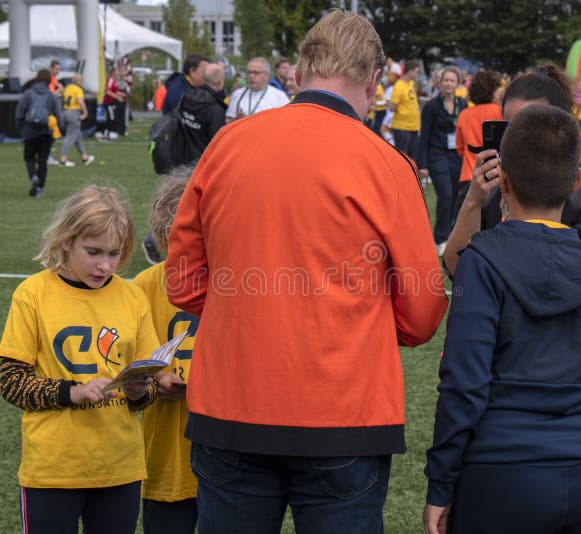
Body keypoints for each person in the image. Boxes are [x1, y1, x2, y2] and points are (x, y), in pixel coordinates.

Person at [165, 10, 448, 533]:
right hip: (343, 413)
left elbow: (182, 281)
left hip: (232, 406)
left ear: (300, 68)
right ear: (372, 80)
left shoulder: (228, 145)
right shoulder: (384, 162)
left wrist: (251, 311)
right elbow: (422, 313)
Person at [424, 104, 581, 534]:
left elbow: (463, 384)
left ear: (503, 180)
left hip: (502, 468)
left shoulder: (483, 260)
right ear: (576, 182)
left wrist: (441, 484)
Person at [0, 184, 161, 533]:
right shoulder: (33, 294)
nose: (105, 265)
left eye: (115, 254)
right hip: (53, 470)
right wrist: (73, 392)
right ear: (66, 241)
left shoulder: (132, 298)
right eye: (93, 251)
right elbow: (11, 383)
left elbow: (148, 392)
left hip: (120, 467)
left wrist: (139, 393)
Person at [444, 67, 581, 276]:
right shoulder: (485, 190)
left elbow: (579, 273)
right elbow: (456, 269)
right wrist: (473, 201)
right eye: (511, 127)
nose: (519, 139)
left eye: (531, 127)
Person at [133, 168, 201, 534]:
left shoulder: (237, 282)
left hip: (227, 463)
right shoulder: (142, 287)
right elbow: (125, 365)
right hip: (165, 458)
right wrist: (148, 383)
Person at [141, 63, 227, 267]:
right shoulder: (214, 109)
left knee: (177, 207)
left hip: (180, 159)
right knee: (188, 210)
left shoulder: (187, 97)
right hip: (200, 164)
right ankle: (153, 240)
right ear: (218, 82)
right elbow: (218, 141)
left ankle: (158, 240)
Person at [418, 66, 468, 255]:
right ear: (440, 83)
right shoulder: (431, 106)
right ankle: (441, 238)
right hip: (437, 154)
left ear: (457, 84)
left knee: (457, 196)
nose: (448, 83)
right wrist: (422, 164)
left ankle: (453, 235)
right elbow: (424, 136)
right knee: (446, 195)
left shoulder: (463, 104)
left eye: (452, 80)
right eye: (445, 80)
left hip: (457, 154)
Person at [452, 70, 503, 216]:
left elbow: (460, 149)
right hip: (493, 176)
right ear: (492, 90)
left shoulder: (464, 114)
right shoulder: (499, 111)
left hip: (468, 176)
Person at [15, 68, 64, 198]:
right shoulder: (51, 95)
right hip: (45, 132)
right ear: (49, 80)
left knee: (29, 158)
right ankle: (40, 188)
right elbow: (59, 115)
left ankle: (33, 177)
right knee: (43, 161)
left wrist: (21, 129)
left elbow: (19, 113)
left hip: (30, 131)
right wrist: (58, 129)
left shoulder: (28, 94)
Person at [226, 57, 290, 122]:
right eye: (249, 72)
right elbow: (227, 121)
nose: (251, 76)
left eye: (256, 73)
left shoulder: (279, 96)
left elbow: (287, 121)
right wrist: (236, 121)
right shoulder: (238, 94)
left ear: (267, 75)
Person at [59, 73, 94, 166]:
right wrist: (85, 112)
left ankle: (85, 158)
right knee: (70, 137)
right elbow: (80, 101)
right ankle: (63, 159)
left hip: (65, 111)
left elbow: (62, 99)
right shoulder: (78, 89)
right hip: (74, 112)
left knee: (77, 136)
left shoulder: (67, 88)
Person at [389, 59, 421, 160]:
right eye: (416, 71)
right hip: (402, 127)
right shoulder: (399, 86)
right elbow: (391, 107)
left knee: (413, 157)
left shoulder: (411, 83)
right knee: (403, 157)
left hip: (413, 126)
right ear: (410, 71)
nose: (417, 74)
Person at [100, 65, 126, 140]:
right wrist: (118, 97)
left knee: (111, 118)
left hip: (111, 102)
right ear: (113, 72)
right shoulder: (110, 80)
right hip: (108, 102)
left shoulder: (113, 80)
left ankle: (108, 133)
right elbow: (107, 91)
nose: (118, 72)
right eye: (117, 71)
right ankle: (105, 134)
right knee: (111, 118)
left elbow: (112, 91)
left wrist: (120, 94)